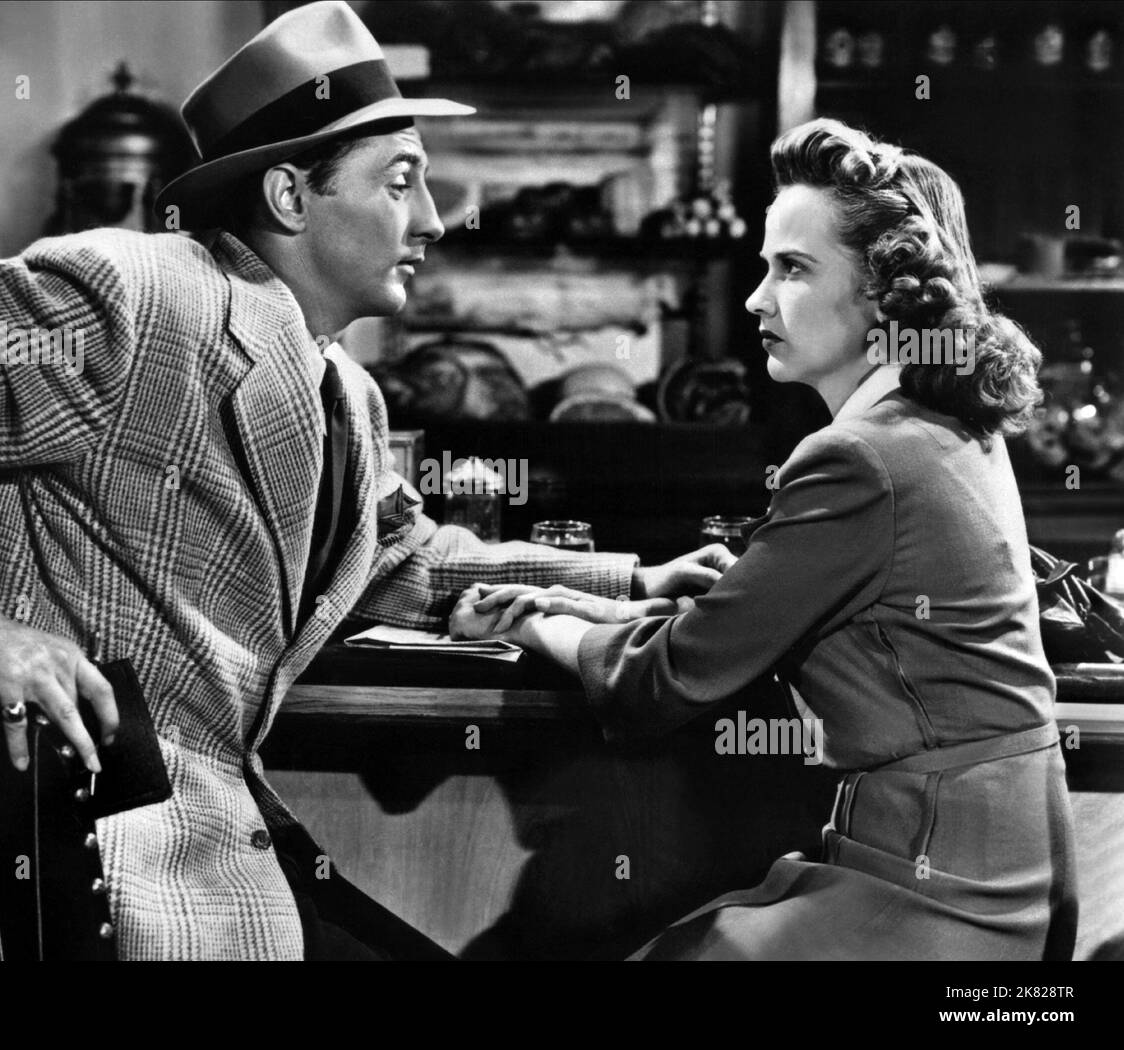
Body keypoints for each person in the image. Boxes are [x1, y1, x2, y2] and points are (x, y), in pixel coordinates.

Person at [0, 1, 720, 960]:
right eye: (400, 182)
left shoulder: (344, 388)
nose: (432, 219)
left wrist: (635, 581)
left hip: (228, 835)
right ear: (290, 196)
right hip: (97, 860)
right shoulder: (147, 296)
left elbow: (402, 562)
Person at [456, 118, 1079, 961]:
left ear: (882, 295)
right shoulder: (943, 424)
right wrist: (597, 602)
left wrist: (535, 621)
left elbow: (664, 680)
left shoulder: (862, 454)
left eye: (792, 268)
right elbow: (755, 626)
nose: (757, 299)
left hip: (944, 890)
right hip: (991, 865)